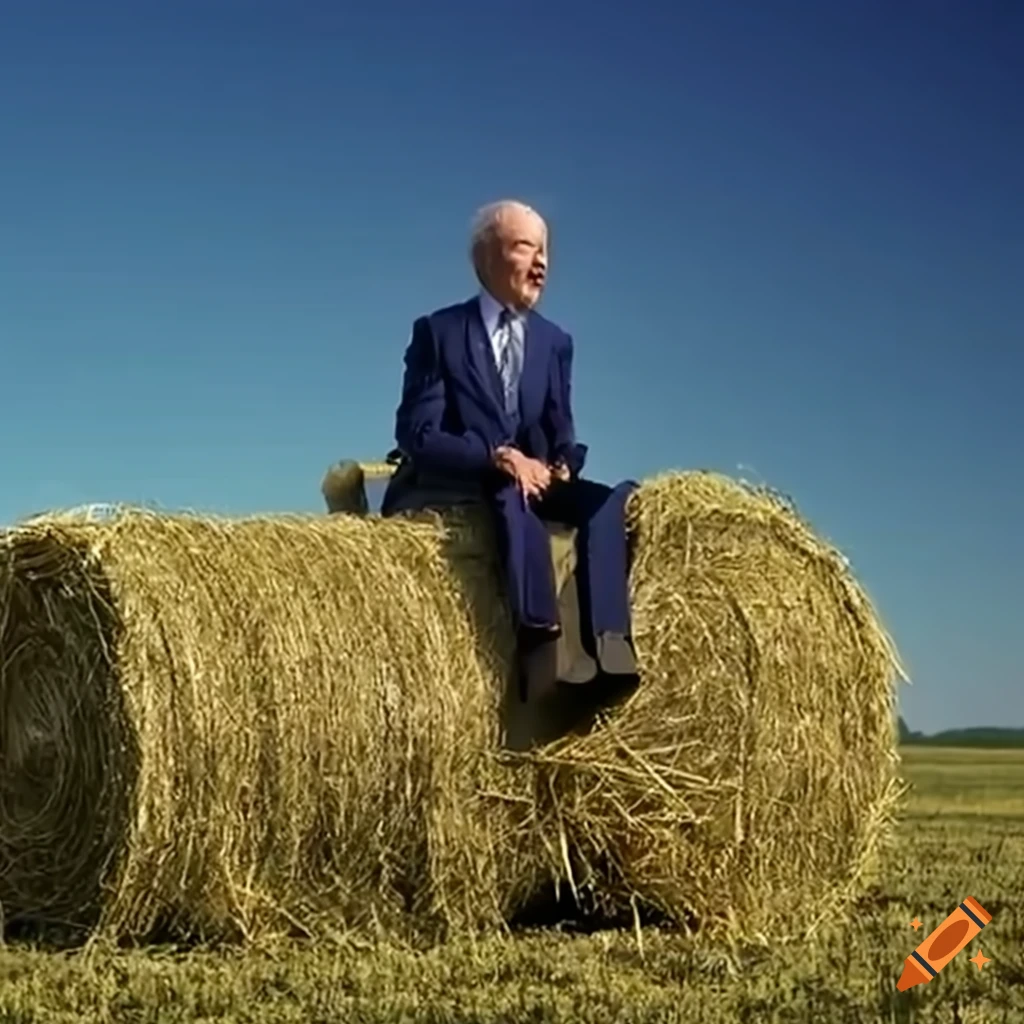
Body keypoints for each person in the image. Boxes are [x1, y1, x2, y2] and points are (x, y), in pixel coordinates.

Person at [382, 199, 638, 705]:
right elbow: (418, 433)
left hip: (533, 478)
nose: (541, 261)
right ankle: (540, 649)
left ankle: (608, 645)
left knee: (606, 502)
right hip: (463, 477)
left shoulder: (554, 342)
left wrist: (562, 462)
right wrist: (497, 456)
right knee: (509, 494)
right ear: (487, 257)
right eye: (526, 247)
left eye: (545, 250)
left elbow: (559, 426)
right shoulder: (440, 332)